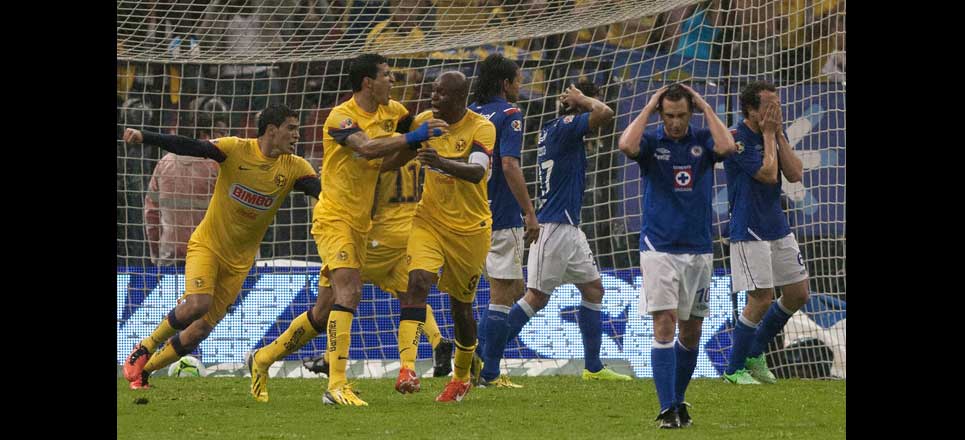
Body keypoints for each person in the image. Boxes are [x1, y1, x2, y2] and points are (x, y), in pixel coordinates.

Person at [246, 53, 448, 406]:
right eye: (387, 75)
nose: (393, 81)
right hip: (333, 218)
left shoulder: (396, 113)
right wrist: (413, 135)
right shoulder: (340, 118)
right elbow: (368, 148)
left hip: (363, 223)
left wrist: (414, 142)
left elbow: (388, 162)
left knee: (324, 313)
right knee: (350, 291)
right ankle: (336, 385)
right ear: (368, 82)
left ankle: (262, 359)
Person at [121, 103, 321, 390]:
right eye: (292, 128)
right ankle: (145, 347)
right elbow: (189, 146)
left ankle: (144, 373)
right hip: (208, 245)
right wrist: (146, 136)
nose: (297, 135)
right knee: (197, 305)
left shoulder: (295, 167)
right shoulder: (235, 149)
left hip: (239, 262)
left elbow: (322, 193)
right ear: (272, 130)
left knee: (200, 330)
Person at [617, 83, 736, 428]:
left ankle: (678, 401)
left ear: (691, 113)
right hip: (659, 248)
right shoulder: (653, 142)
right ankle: (667, 406)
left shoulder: (702, 140)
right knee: (665, 323)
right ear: (660, 114)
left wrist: (705, 106)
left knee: (691, 332)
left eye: (682, 115)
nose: (675, 123)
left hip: (698, 248)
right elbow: (626, 144)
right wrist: (650, 103)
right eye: (669, 116)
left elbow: (728, 146)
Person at [501, 82, 632, 383]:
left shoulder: (555, 128)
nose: (590, 106)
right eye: (586, 101)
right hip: (554, 226)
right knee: (535, 297)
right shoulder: (566, 125)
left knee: (593, 290)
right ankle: (484, 356)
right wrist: (584, 99)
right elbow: (605, 112)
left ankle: (593, 368)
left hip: (569, 226)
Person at [393, 71, 496, 402]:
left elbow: (478, 171)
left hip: (470, 231)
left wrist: (441, 162)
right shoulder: (426, 122)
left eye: (441, 94)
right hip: (429, 221)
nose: (433, 98)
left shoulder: (482, 127)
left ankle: (462, 377)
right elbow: (399, 152)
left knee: (461, 310)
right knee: (417, 282)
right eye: (432, 92)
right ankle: (407, 368)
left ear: (460, 98)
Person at [722, 81, 809, 385]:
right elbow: (769, 174)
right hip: (749, 228)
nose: (776, 112)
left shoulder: (774, 132)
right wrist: (770, 135)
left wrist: (778, 135)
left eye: (778, 105)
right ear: (751, 109)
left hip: (777, 225)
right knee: (761, 297)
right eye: (770, 106)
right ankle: (733, 370)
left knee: (798, 293)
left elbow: (795, 174)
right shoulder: (735, 138)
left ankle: (755, 351)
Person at [467, 53, 539, 388]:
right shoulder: (510, 114)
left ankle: (480, 357)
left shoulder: (469, 115)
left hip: (470, 213)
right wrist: (529, 211)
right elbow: (509, 164)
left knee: (517, 290)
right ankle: (488, 371)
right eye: (518, 81)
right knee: (501, 295)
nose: (520, 87)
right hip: (502, 215)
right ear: (505, 84)